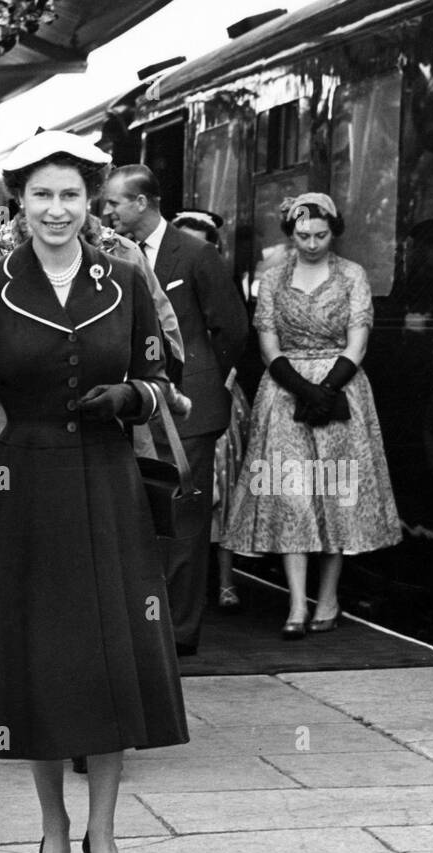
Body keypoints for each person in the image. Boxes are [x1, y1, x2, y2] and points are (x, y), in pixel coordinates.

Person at [0, 130, 188, 853]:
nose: (56, 209)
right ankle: (51, 828)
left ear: (91, 203)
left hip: (108, 483)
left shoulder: (126, 277)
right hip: (25, 490)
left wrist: (131, 398)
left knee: (109, 664)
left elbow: (162, 374)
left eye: (71, 195)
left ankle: (103, 837)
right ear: (22, 202)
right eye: (42, 195)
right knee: (42, 668)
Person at [222, 193, 402, 637]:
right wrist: (302, 389)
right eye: (303, 236)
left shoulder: (352, 275)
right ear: (291, 233)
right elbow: (268, 344)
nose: (312, 243)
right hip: (285, 395)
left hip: (341, 390)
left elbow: (357, 343)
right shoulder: (274, 276)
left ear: (333, 233)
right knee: (292, 496)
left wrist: (326, 390)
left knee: (335, 495)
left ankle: (328, 598)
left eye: (320, 235)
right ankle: (297, 604)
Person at [102, 165, 249, 656]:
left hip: (189, 413)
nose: (106, 213)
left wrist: (203, 383)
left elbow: (232, 329)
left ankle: (180, 631)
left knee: (185, 519)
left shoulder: (197, 254)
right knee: (139, 516)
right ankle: (142, 620)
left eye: (114, 204)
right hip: (131, 409)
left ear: (142, 203)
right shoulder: (110, 253)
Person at [172, 209, 250, 613]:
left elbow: (233, 332)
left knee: (226, 488)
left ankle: (224, 580)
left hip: (216, 393)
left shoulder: (218, 282)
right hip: (176, 399)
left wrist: (219, 375)